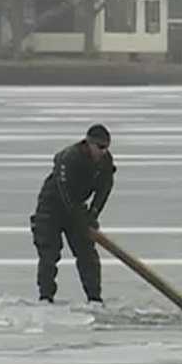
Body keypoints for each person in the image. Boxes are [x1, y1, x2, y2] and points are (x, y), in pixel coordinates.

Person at [30, 124, 116, 304]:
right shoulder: (70, 157)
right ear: (88, 143)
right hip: (51, 207)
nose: (102, 152)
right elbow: (63, 190)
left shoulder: (105, 162)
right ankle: (46, 298)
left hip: (77, 207)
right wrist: (78, 216)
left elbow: (104, 189)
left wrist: (92, 215)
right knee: (49, 253)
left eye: (106, 148)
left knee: (87, 254)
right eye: (99, 147)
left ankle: (94, 299)